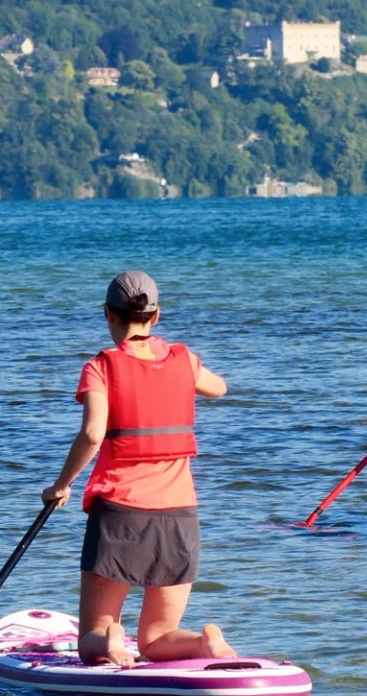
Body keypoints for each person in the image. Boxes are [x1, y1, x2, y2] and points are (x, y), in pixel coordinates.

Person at [42, 270, 235, 667]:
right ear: (156, 316)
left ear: (107, 315)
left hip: (120, 514)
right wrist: (186, 374)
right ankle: (203, 643)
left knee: (89, 641)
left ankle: (110, 634)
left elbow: (93, 435)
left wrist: (61, 485)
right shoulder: (183, 360)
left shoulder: (101, 367)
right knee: (156, 638)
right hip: (179, 516)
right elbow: (219, 388)